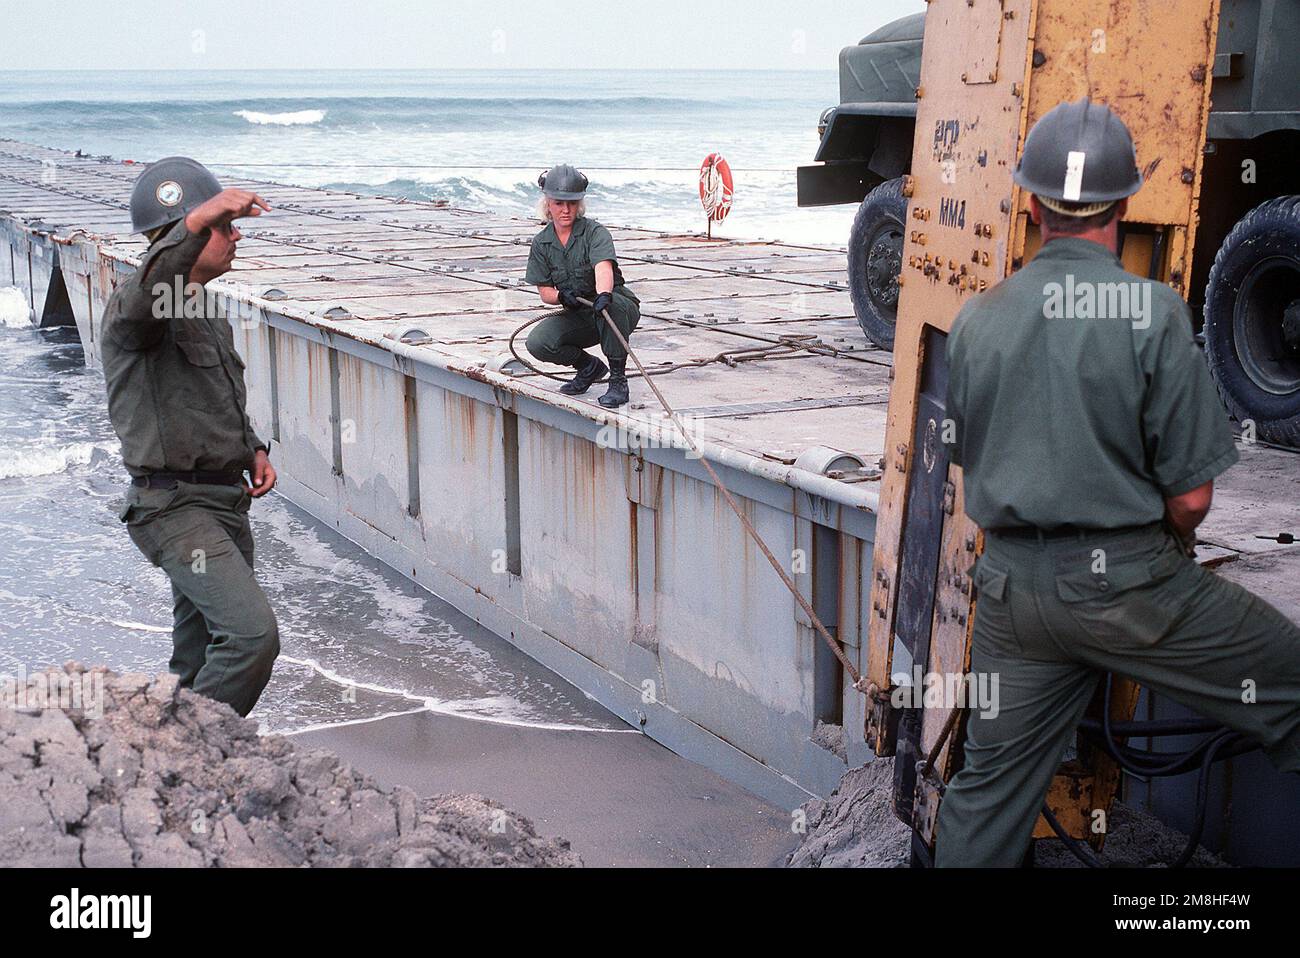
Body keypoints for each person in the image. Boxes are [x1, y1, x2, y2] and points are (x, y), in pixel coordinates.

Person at [934, 98, 1300, 866]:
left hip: (1011, 592)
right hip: (1128, 587)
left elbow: (970, 460)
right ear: (1127, 203)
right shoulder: (1154, 314)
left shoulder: (975, 320)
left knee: (988, 793)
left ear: (1031, 205)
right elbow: (1192, 498)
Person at [101, 156, 280, 718]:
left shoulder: (203, 307)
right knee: (251, 638)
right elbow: (154, 283)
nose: (236, 236)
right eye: (224, 228)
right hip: (176, 508)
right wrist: (199, 218)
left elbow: (212, 397)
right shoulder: (138, 306)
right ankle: (193, 751)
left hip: (222, 501)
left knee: (199, 654)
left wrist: (251, 447)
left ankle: (173, 763)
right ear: (186, 233)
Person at [523, 164, 641, 408]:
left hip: (615, 306)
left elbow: (603, 268)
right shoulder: (541, 243)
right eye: (559, 203)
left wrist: (604, 294)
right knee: (538, 342)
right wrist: (561, 297)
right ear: (547, 203)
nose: (565, 210)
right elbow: (545, 292)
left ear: (580, 204)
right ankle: (588, 367)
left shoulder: (595, 232)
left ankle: (618, 380)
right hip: (580, 313)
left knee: (612, 308)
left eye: (572, 203)